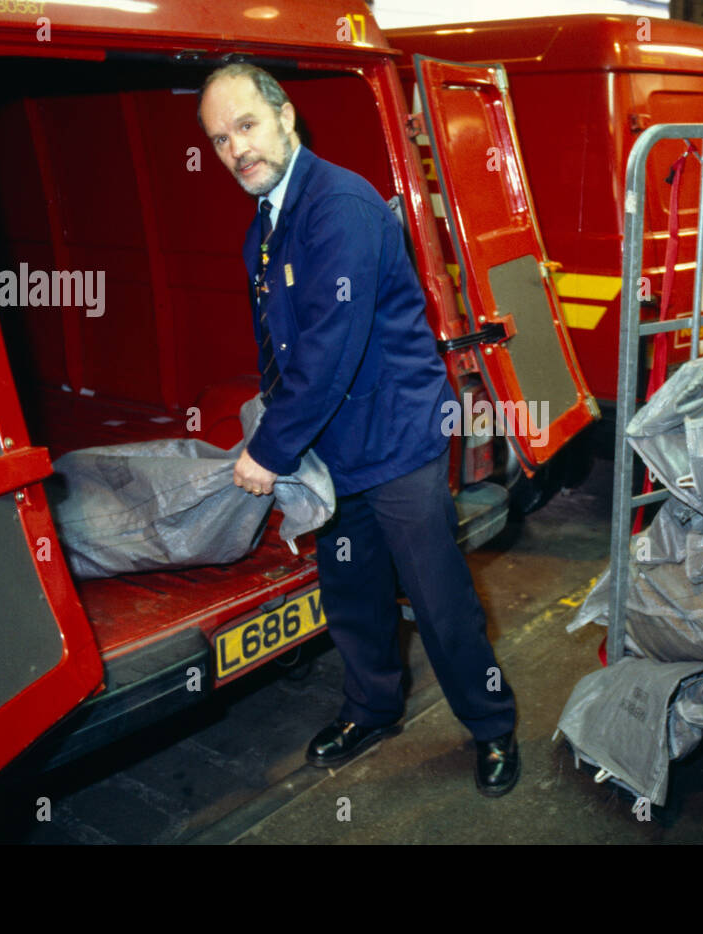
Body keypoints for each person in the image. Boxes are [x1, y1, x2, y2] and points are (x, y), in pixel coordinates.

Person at [197, 64, 519, 796]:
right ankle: (373, 708)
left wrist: (269, 451)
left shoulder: (338, 204)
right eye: (219, 140)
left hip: (396, 440)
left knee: (438, 600)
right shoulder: (266, 231)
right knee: (352, 591)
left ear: (285, 117)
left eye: (246, 125)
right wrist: (270, 424)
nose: (236, 149)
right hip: (334, 451)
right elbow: (278, 351)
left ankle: (493, 725)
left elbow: (330, 347)